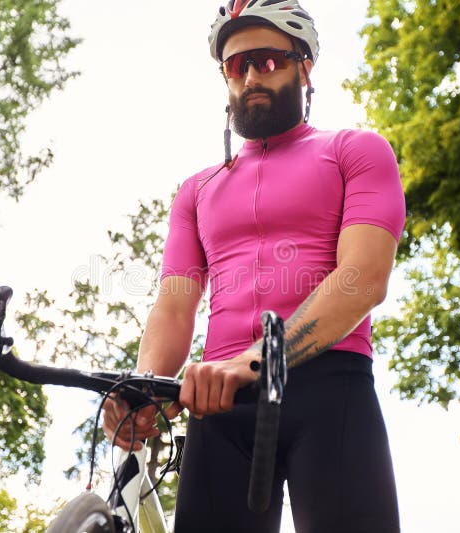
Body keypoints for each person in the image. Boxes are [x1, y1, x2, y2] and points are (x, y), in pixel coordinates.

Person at [102, 1, 404, 531]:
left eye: (266, 61)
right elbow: (174, 306)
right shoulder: (196, 190)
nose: (248, 76)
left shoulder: (357, 151)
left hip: (329, 390)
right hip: (220, 402)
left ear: (304, 65)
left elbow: (362, 281)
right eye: (234, 66)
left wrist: (253, 362)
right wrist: (144, 388)